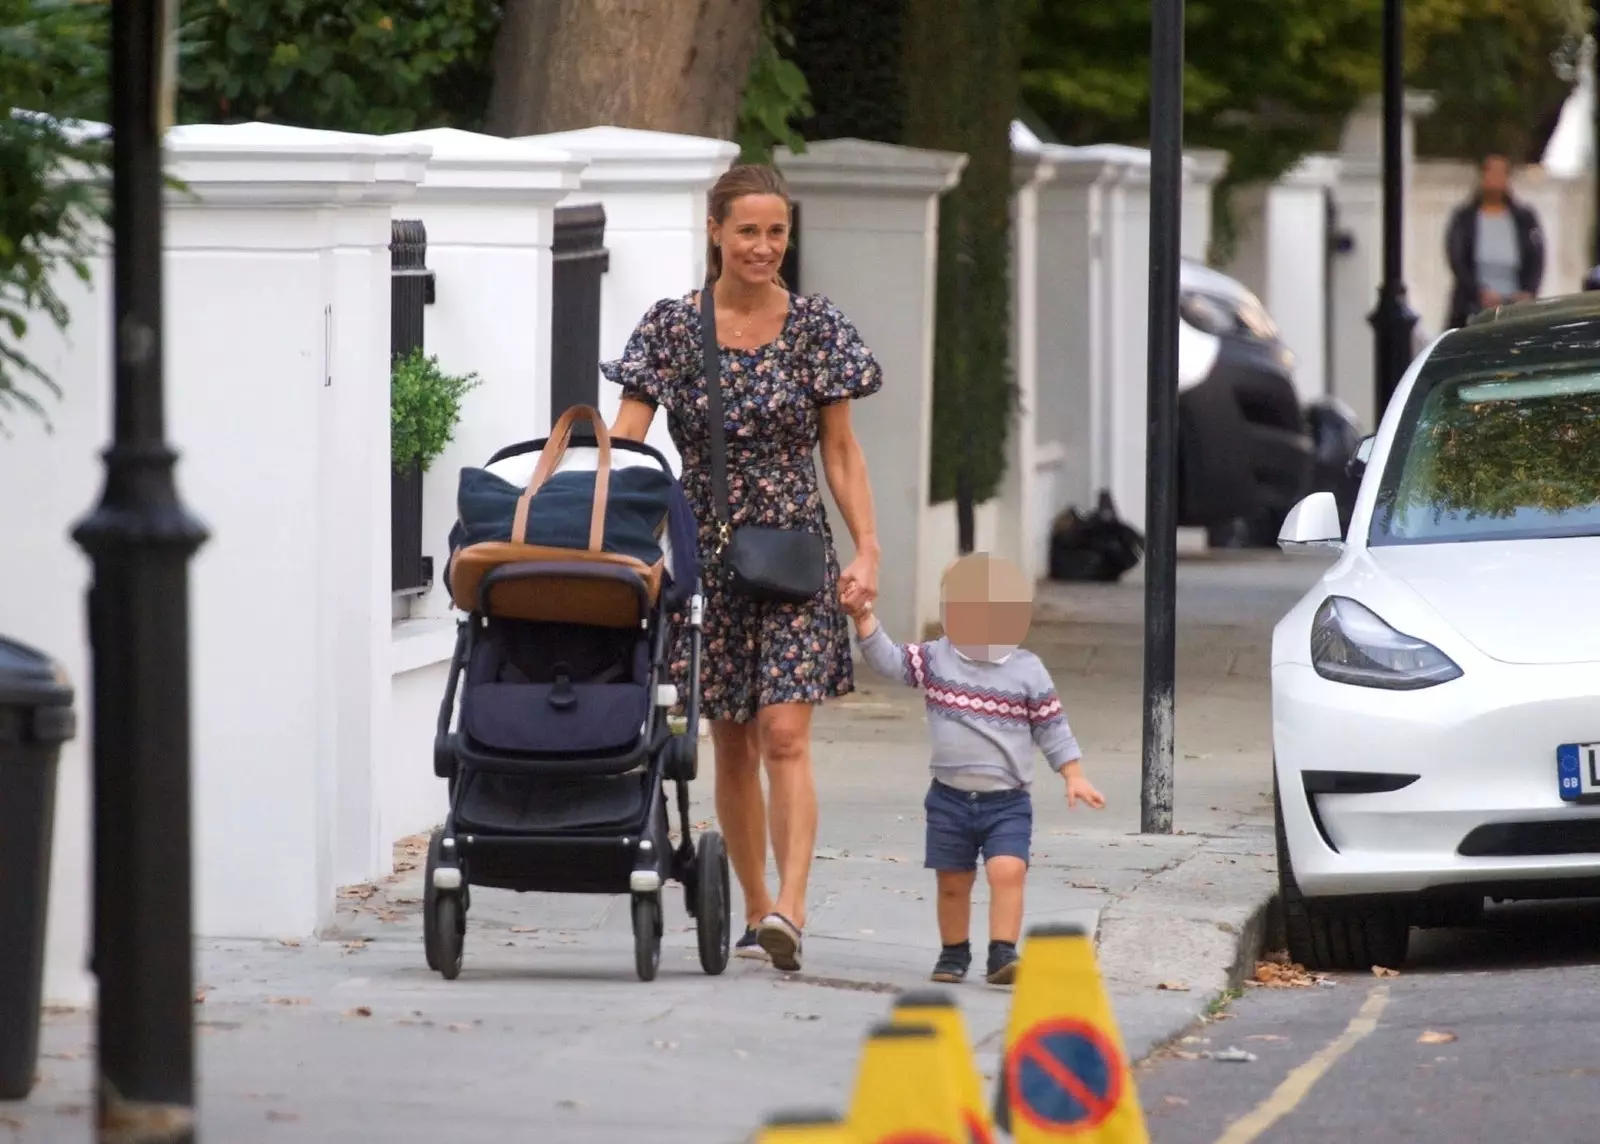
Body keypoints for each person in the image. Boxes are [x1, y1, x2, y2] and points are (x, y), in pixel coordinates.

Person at [604, 164, 883, 973]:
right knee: (731, 741)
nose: (765, 247)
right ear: (716, 232)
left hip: (795, 549)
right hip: (706, 553)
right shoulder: (671, 329)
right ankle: (755, 907)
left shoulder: (818, 328)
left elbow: (840, 449)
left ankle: (792, 909)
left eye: (777, 232)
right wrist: (602, 514)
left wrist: (867, 547)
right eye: (749, 231)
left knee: (785, 732)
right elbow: (628, 442)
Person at [840, 552, 1105, 986]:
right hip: (949, 799)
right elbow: (888, 659)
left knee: (1008, 870)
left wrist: (1073, 773)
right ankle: (953, 952)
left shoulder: (1027, 670)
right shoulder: (937, 659)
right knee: (952, 881)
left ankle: (1003, 952)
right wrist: (864, 616)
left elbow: (1052, 726)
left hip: (1007, 801)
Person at [1445, 153, 1545, 330]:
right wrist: (1478, 292)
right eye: (1491, 172)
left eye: (1501, 173)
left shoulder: (1524, 218)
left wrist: (1528, 292)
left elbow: (1537, 258)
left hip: (1515, 305)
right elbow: (1456, 259)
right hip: (1475, 307)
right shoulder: (1465, 218)